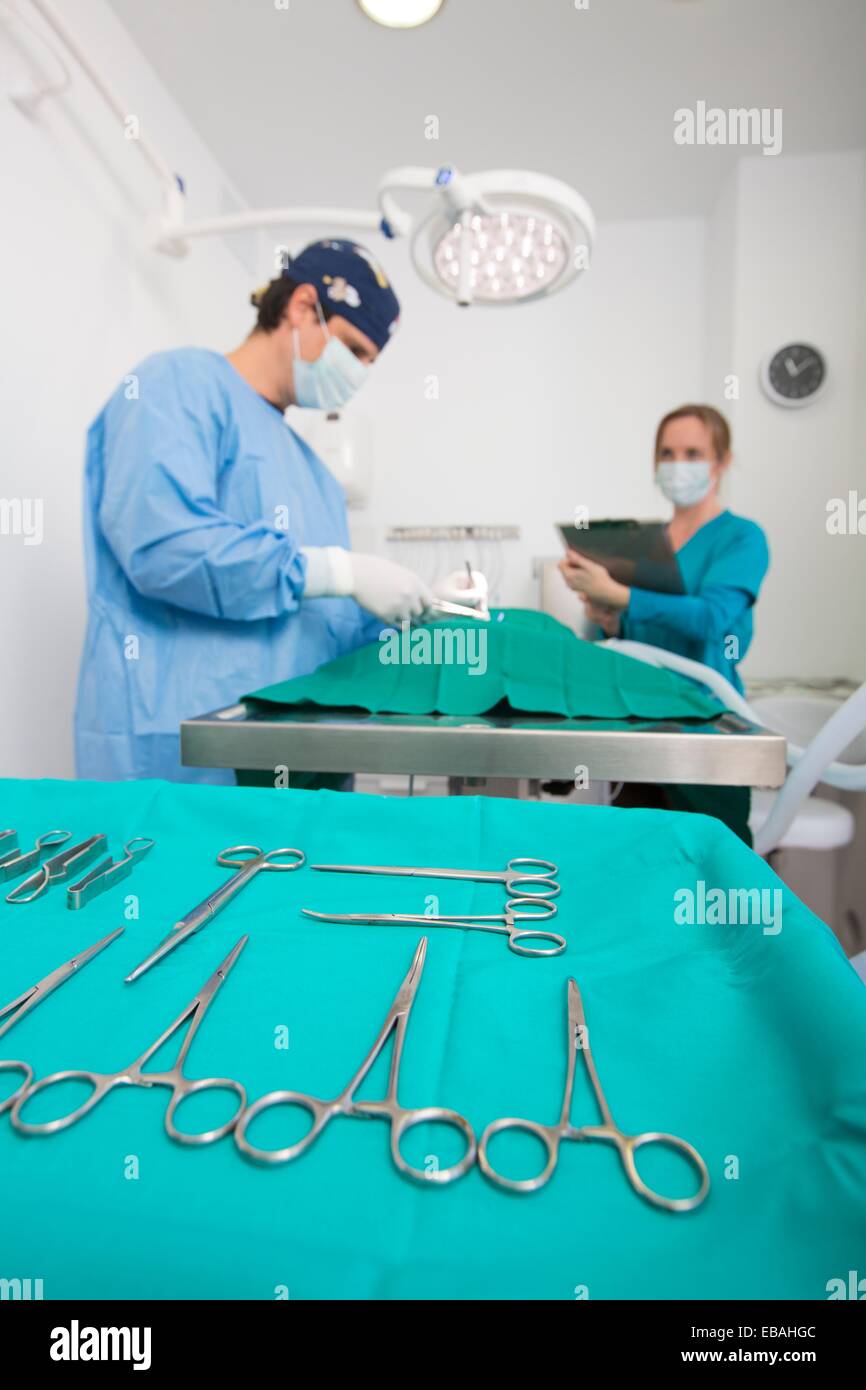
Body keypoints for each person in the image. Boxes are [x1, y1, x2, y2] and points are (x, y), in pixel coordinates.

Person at [75, 239, 473, 783]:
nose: (356, 376)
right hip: (185, 757)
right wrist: (342, 570)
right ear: (303, 307)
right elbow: (164, 548)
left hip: (303, 761)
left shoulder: (316, 476)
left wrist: (420, 612)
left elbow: (324, 627)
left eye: (369, 364)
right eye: (354, 350)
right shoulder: (175, 386)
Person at [559, 404, 769, 695]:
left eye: (693, 454)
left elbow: (710, 619)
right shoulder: (645, 541)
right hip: (642, 698)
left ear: (722, 461)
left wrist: (619, 595)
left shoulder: (742, 537)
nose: (677, 464)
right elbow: (640, 634)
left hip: (706, 706)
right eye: (667, 453)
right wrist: (611, 621)